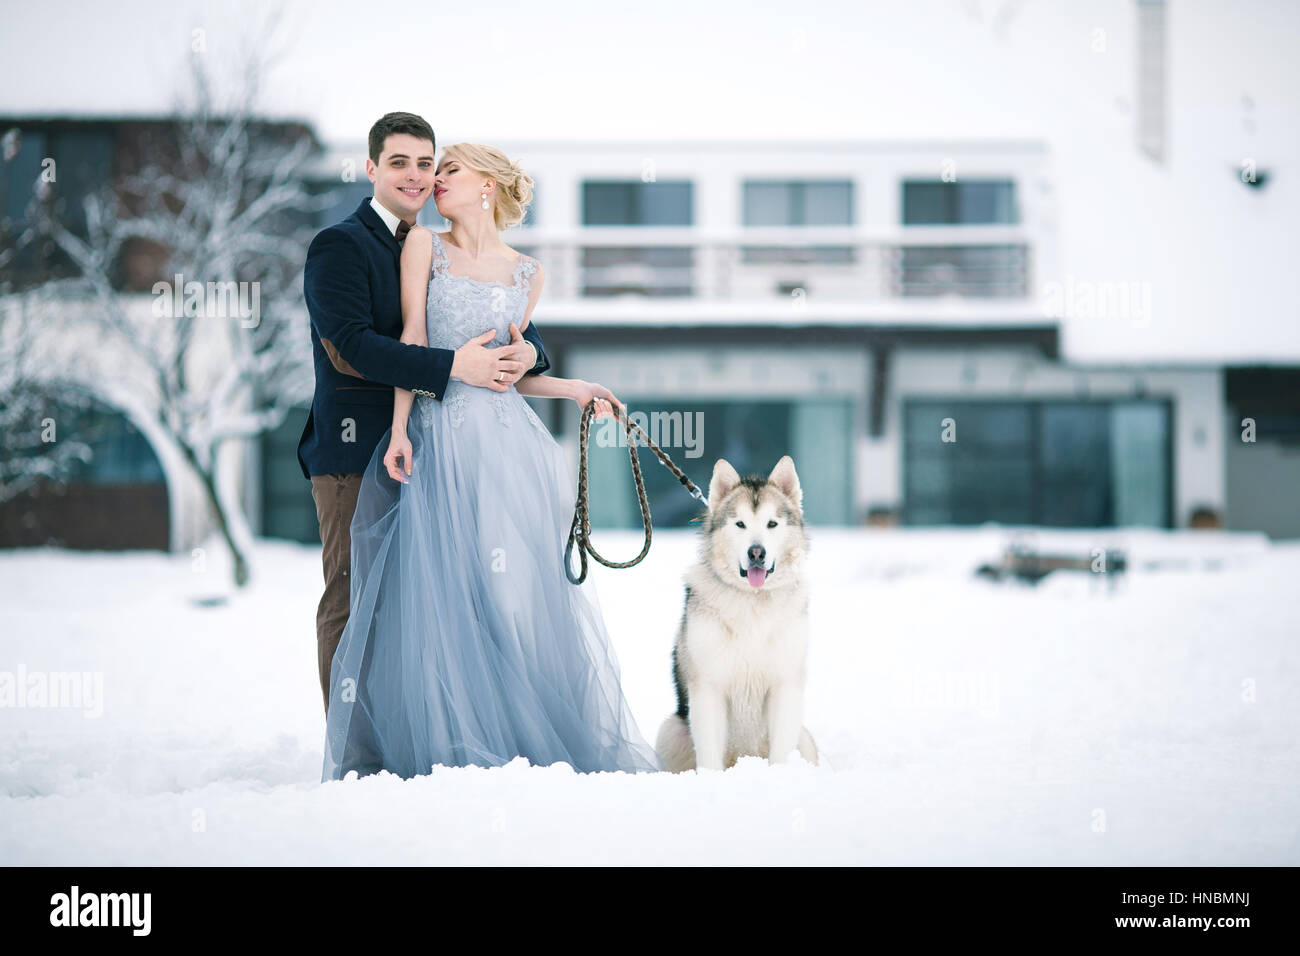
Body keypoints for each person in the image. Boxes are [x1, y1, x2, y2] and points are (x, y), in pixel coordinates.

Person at [320, 141, 663, 780]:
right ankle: (447, 743)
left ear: (488, 184)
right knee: (442, 592)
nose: (435, 180)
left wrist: (575, 387)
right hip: (439, 437)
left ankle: (517, 737)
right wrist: (399, 430)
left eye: (449, 168)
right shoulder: (424, 246)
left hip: (508, 446)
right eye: (431, 168)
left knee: (511, 593)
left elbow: (511, 372)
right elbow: (413, 340)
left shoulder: (529, 273)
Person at [298, 113, 551, 717]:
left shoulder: (439, 245)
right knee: (356, 596)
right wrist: (450, 369)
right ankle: (352, 744)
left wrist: (531, 354)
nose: (417, 176)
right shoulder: (339, 244)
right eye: (398, 163)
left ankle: (416, 734)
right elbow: (351, 348)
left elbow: (517, 331)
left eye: (426, 163)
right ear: (370, 169)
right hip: (356, 450)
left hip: (435, 451)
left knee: (428, 600)